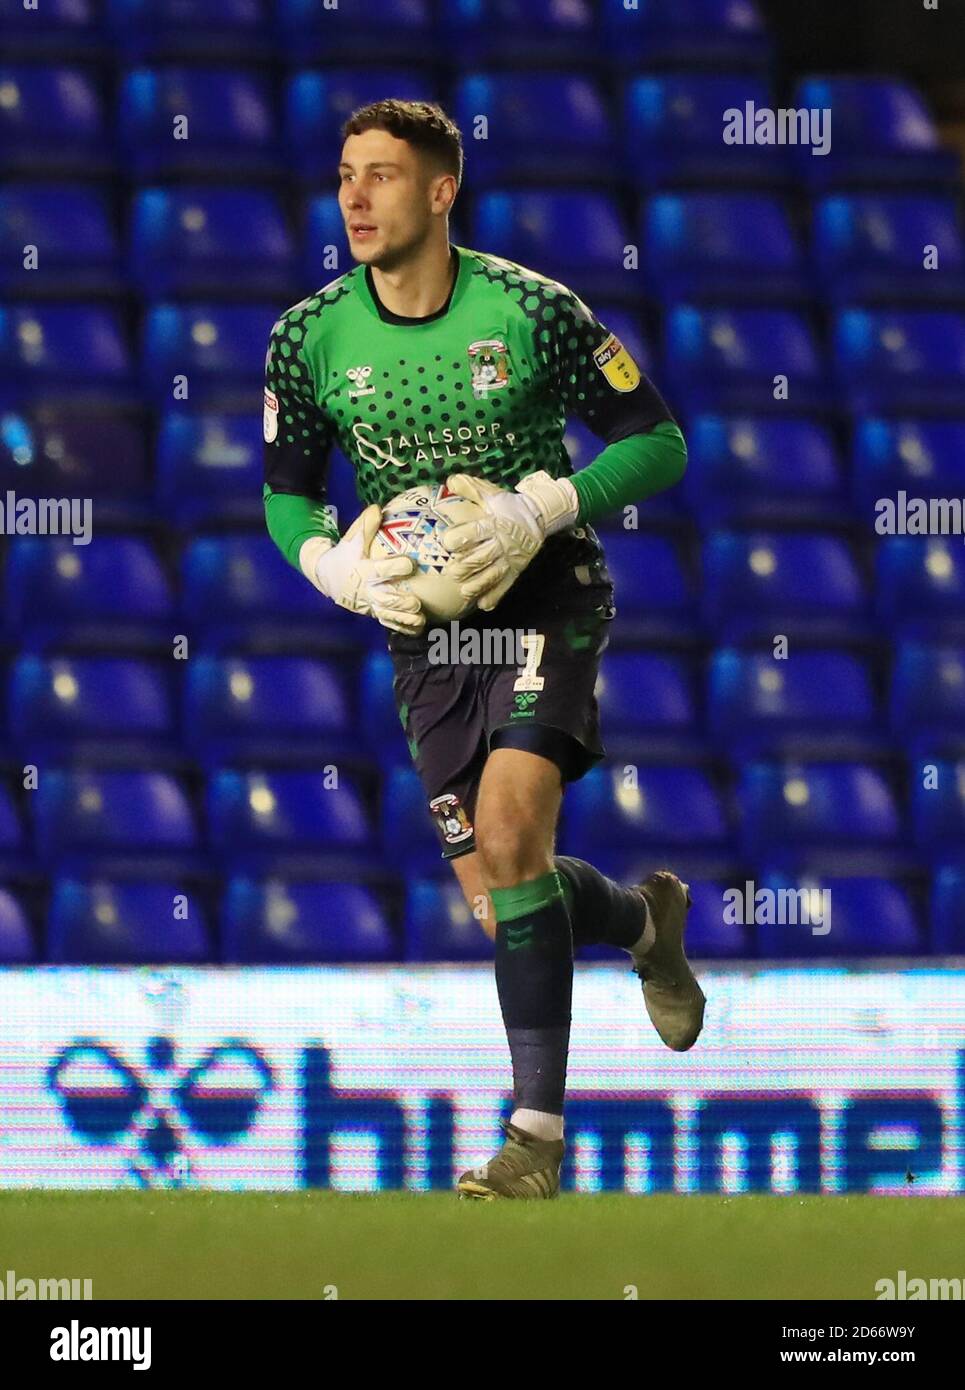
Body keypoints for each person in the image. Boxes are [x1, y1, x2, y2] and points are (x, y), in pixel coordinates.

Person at [263, 98, 705, 1200]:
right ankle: (644, 922)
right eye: (345, 175)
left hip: (545, 589)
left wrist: (541, 507)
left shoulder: (532, 311)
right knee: (503, 891)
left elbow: (659, 441)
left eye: (380, 175)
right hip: (425, 627)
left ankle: (534, 1144)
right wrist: (337, 570)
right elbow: (284, 499)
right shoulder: (307, 335)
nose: (355, 195)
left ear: (440, 191)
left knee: (511, 823)